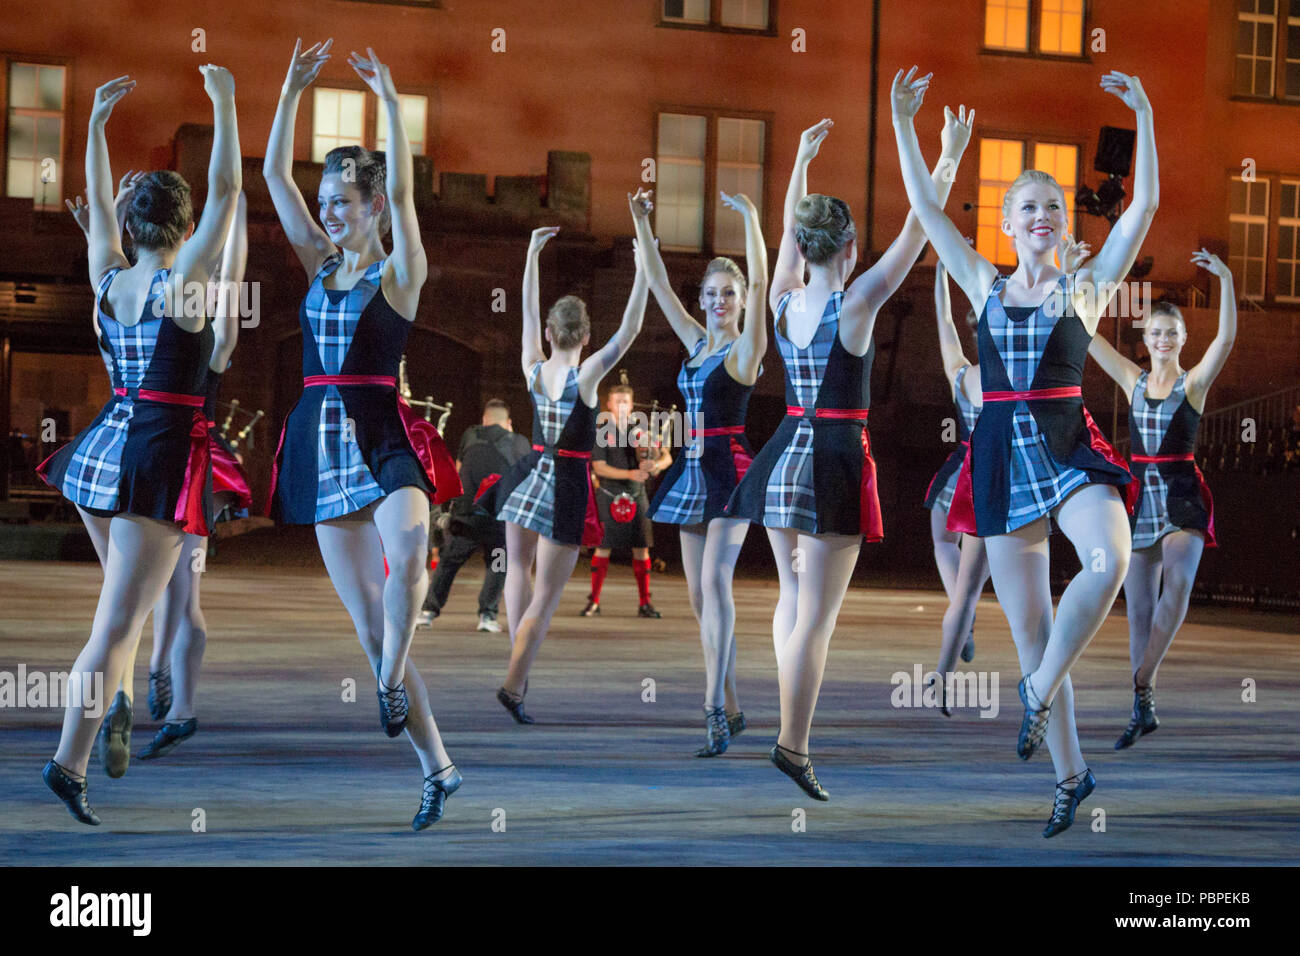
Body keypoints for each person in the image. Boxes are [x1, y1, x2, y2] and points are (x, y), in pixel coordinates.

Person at [892, 66, 1157, 836]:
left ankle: (1037, 692)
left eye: (1053, 206)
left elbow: (1143, 206)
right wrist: (910, 128)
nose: (1043, 215)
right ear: (1007, 223)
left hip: (1069, 444)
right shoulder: (979, 280)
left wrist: (1142, 114)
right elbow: (923, 211)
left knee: (1107, 562)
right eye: (1028, 206)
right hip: (1003, 458)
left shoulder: (1087, 286)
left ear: (1066, 224)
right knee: (1035, 631)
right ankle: (1071, 775)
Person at [726, 89, 972, 799]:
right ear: (853, 247)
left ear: (803, 249)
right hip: (831, 458)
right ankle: (793, 743)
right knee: (818, 619)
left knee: (791, 603)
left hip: (780, 457)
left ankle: (788, 728)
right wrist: (946, 155)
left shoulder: (779, 300)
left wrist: (798, 170)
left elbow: (785, 246)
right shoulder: (856, 302)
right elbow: (922, 232)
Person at [263, 40, 462, 830]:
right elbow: (276, 180)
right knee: (371, 617)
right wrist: (289, 92)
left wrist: (388, 102)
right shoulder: (317, 264)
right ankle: (438, 768)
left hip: (383, 434)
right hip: (319, 442)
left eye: (344, 201)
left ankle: (389, 677)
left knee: (411, 551)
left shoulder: (399, 274)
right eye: (329, 201)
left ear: (373, 205)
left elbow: (409, 198)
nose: (330, 213)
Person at [37, 66, 242, 824]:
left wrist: (92, 127)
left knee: (120, 612)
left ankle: (115, 703)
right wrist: (223, 102)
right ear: (184, 232)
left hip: (100, 452)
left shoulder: (108, 280)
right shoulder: (181, 288)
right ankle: (68, 762)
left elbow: (97, 221)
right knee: (116, 626)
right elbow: (225, 193)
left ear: (129, 226)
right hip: (152, 462)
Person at [69, 185, 251, 763]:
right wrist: (234, 210)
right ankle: (173, 702)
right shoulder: (211, 331)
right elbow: (224, 264)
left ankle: (136, 689)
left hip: (117, 452)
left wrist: (113, 222)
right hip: (181, 467)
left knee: (125, 603)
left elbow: (115, 282)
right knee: (175, 599)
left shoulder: (129, 299)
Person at [487, 222, 648, 724]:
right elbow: (630, 333)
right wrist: (644, 271)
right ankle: (515, 683)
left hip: (528, 473)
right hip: (565, 484)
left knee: (517, 570)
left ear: (551, 334)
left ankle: (520, 663)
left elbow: (526, 318)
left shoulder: (533, 366)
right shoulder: (586, 375)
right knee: (549, 598)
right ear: (586, 336)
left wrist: (532, 254)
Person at [629, 186, 766, 756]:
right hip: (690, 469)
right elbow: (658, 282)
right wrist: (641, 221)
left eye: (727, 294)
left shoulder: (745, 349)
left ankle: (711, 705)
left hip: (730, 468)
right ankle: (730, 706)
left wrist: (754, 221)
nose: (718, 301)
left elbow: (762, 286)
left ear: (738, 300)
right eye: (710, 293)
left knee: (715, 584)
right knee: (696, 599)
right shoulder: (695, 343)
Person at [1087, 248, 1235, 750]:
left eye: (1172, 333)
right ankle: (1142, 706)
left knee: (1180, 585)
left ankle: (1143, 680)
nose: (1164, 339)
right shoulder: (1133, 379)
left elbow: (1227, 338)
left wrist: (1228, 282)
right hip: (1140, 498)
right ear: (1146, 339)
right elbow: (1086, 336)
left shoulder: (1193, 385)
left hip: (1182, 496)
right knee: (1138, 613)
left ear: (1182, 339)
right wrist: (1072, 278)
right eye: (1156, 333)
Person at [921, 257, 988, 712]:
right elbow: (946, 320)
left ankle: (943, 672)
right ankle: (944, 671)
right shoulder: (1008, 377)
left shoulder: (964, 374)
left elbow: (945, 320)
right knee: (959, 576)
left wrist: (943, 271)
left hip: (973, 473)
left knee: (956, 569)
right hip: (982, 473)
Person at [417, 399, 531, 632]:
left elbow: (458, 470)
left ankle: (429, 611)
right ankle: (487, 615)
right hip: (500, 519)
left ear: (484, 420)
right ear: (508, 423)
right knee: (498, 564)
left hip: (467, 515)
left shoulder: (470, 435)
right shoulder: (519, 441)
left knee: (449, 562)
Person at [585, 383, 672, 619]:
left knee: (641, 550)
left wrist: (655, 464)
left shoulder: (641, 431)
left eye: (626, 401)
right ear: (609, 405)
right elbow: (599, 467)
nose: (622, 406)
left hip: (637, 493)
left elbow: (666, 457)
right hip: (609, 494)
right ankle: (594, 601)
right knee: (602, 549)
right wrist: (629, 474)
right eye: (618, 401)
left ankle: (645, 603)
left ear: (632, 405)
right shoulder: (602, 431)